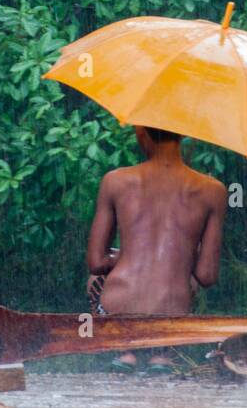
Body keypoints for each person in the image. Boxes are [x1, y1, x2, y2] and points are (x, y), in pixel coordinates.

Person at [86, 125, 226, 372]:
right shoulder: (213, 191)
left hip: (118, 309)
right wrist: (177, 256)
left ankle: (124, 351)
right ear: (182, 134)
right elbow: (206, 276)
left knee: (95, 279)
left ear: (141, 133)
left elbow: (96, 262)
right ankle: (161, 354)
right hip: (171, 314)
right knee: (188, 282)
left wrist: (124, 256)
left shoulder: (115, 181)